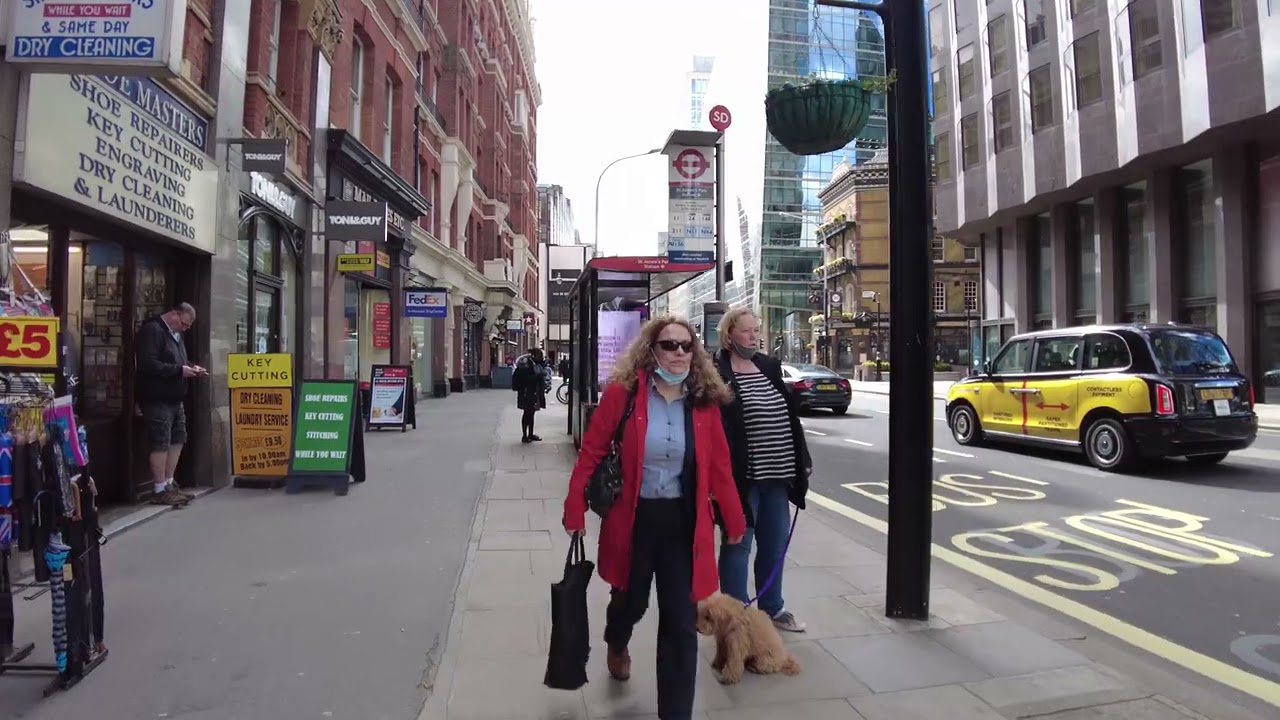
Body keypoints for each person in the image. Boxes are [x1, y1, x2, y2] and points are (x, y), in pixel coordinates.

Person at [563, 316, 746, 720]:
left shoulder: (704, 402)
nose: (679, 353)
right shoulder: (624, 394)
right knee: (631, 601)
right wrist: (574, 504)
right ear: (651, 350)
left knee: (681, 624)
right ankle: (617, 638)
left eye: (686, 345)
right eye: (669, 345)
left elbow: (719, 467)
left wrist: (734, 519)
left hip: (683, 523)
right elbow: (591, 452)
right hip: (634, 519)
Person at [714, 308, 812, 633]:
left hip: (778, 475)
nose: (755, 336)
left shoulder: (768, 366)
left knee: (774, 545)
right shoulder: (718, 371)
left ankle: (773, 607)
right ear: (729, 335)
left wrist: (802, 460)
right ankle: (735, 616)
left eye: (757, 330)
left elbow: (790, 418)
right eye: (747, 331)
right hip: (744, 480)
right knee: (738, 544)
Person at [135, 302, 206, 506]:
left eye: (187, 327)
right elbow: (148, 364)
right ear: (174, 314)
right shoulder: (153, 330)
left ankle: (168, 482)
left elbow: (178, 360)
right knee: (161, 441)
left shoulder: (176, 334)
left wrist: (192, 367)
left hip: (175, 397)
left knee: (178, 437)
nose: (184, 329)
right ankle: (159, 488)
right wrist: (179, 371)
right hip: (157, 397)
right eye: (184, 324)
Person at [512, 348, 547, 443]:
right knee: (527, 413)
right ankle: (524, 435)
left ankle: (530, 434)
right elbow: (526, 378)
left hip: (533, 392)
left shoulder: (534, 363)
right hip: (527, 392)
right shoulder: (526, 364)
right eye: (540, 356)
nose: (541, 358)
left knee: (531, 413)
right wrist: (538, 376)